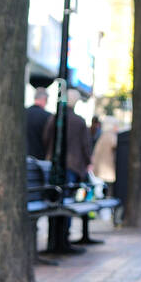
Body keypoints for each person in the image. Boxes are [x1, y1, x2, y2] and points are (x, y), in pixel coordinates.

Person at [42, 88, 97, 248]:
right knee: (67, 201)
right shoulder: (79, 121)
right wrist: (88, 162)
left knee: (57, 200)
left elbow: (46, 138)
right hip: (72, 166)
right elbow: (86, 145)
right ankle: (63, 237)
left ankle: (54, 237)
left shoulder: (55, 118)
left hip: (56, 165)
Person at [25, 88, 53, 158]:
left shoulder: (23, 113)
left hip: (23, 156)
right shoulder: (48, 116)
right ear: (44, 99)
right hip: (39, 159)